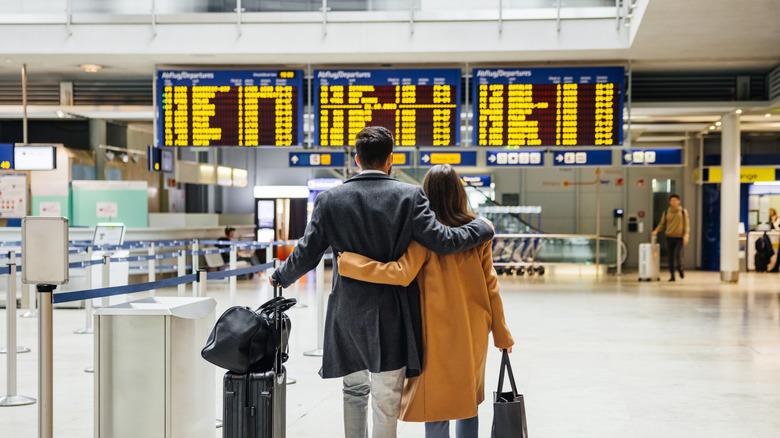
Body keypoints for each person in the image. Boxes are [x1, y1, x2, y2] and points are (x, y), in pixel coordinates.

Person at [270, 126, 495, 438]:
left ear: (357, 160)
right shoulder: (409, 196)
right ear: (391, 159)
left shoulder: (330, 200)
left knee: (353, 392)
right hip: (391, 314)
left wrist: (280, 276)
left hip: (346, 313)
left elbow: (307, 254)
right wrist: (482, 228)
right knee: (386, 398)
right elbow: (443, 241)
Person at [337, 164, 514, 438]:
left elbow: (400, 273)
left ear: (426, 195)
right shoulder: (477, 233)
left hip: (434, 333)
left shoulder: (422, 237)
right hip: (472, 331)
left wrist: (351, 263)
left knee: (437, 403)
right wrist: (501, 334)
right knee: (468, 401)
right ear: (459, 193)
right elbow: (492, 286)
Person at [652, 194, 690, 282]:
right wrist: (656, 231)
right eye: (671, 200)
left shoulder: (683, 212)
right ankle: (672, 275)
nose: (673, 202)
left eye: (675, 200)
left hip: (679, 237)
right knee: (671, 257)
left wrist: (686, 235)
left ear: (678, 201)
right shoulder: (666, 212)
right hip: (669, 237)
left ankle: (680, 269)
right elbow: (662, 224)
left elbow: (687, 225)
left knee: (678, 255)